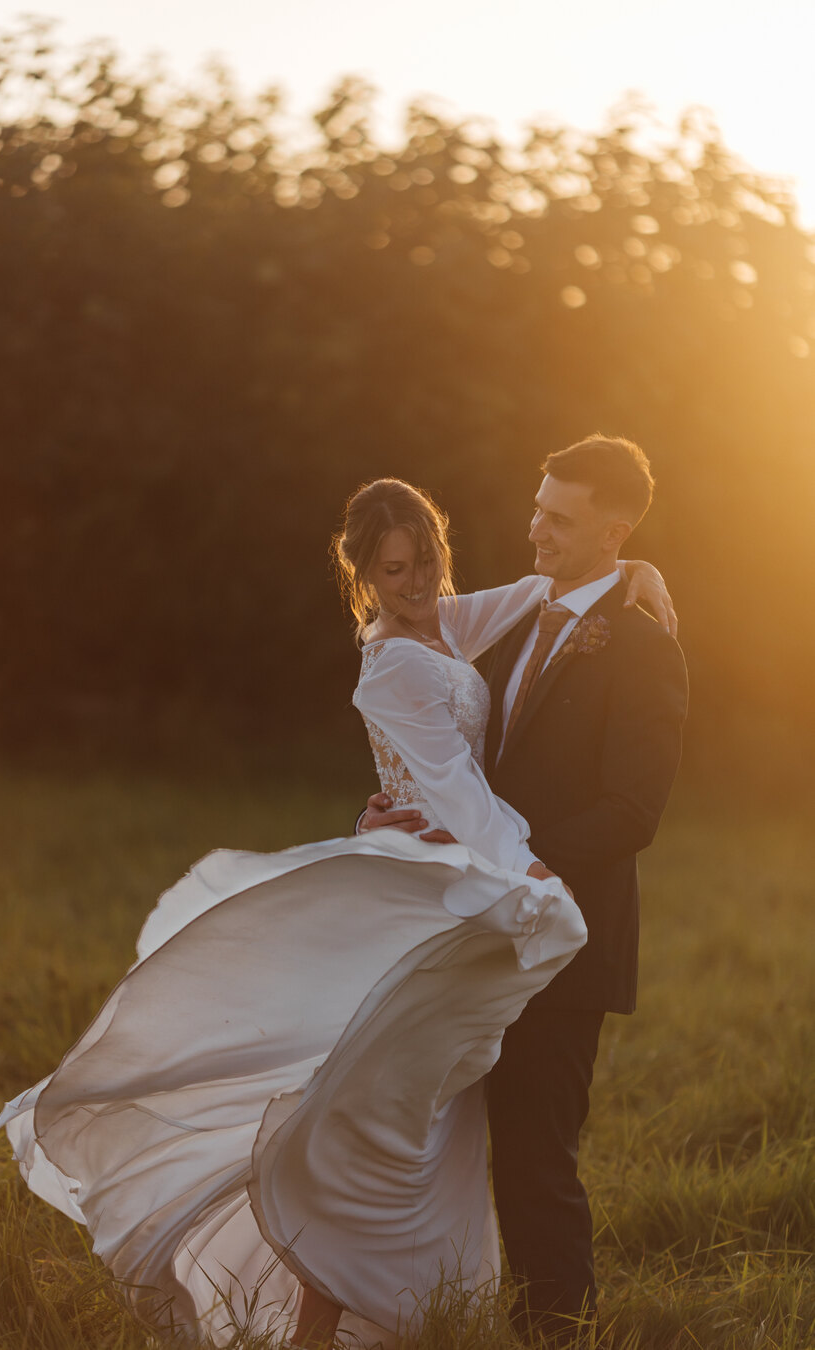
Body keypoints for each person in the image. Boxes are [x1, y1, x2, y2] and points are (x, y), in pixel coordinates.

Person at [0, 471, 672, 1350]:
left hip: (455, 887)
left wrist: (638, 569)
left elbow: (540, 592)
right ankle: (314, 1317)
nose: (416, 581)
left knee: (416, 1114)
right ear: (364, 576)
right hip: (434, 885)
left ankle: (402, 1303)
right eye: (393, 571)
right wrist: (534, 868)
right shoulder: (392, 658)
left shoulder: (446, 618)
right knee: (369, 1108)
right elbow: (460, 792)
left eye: (425, 558)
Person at [360, 436, 689, 1346]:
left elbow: (632, 812)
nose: (534, 529)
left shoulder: (642, 646)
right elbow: (449, 746)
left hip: (561, 930)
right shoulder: (507, 620)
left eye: (559, 518)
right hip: (475, 924)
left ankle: (561, 1330)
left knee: (539, 1159)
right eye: (538, 507)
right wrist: (391, 807)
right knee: (458, 1145)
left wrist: (523, 861)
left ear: (611, 532)